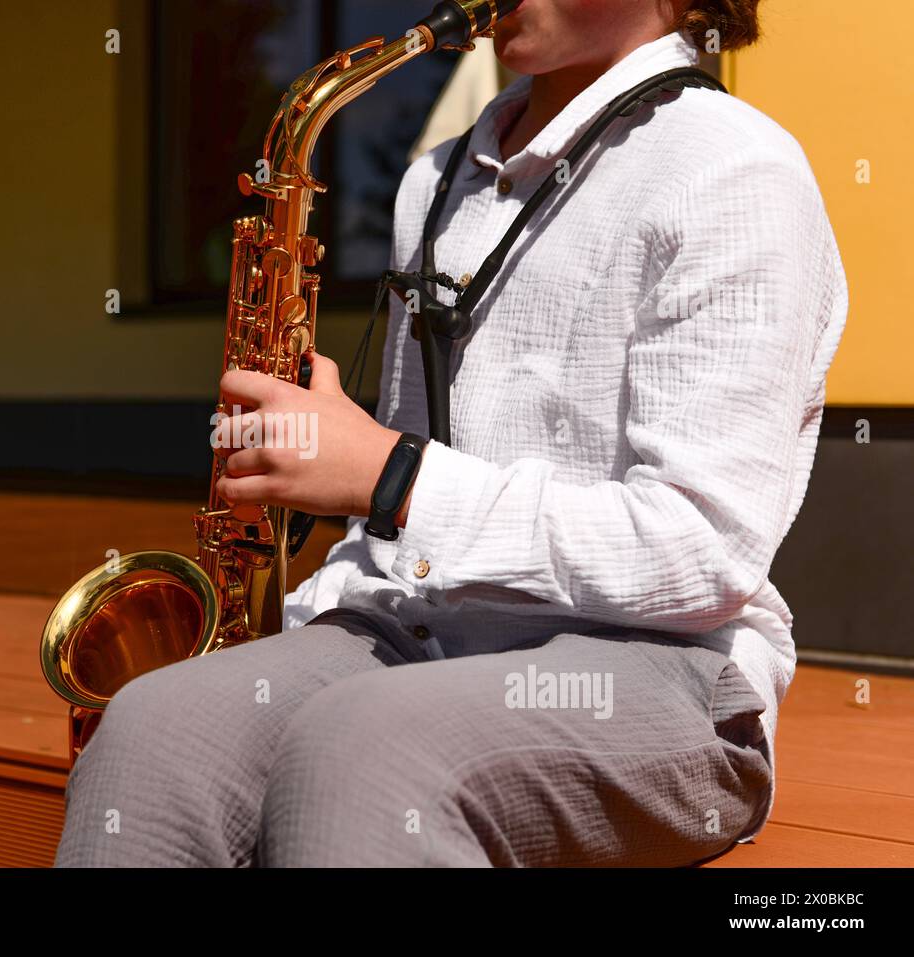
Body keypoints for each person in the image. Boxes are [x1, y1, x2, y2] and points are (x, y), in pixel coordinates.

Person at [55, 0, 848, 867]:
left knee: (367, 746)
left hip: (667, 671)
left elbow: (700, 551)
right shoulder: (437, 178)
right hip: (417, 633)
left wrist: (389, 475)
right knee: (154, 725)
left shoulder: (735, 169)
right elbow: (406, 502)